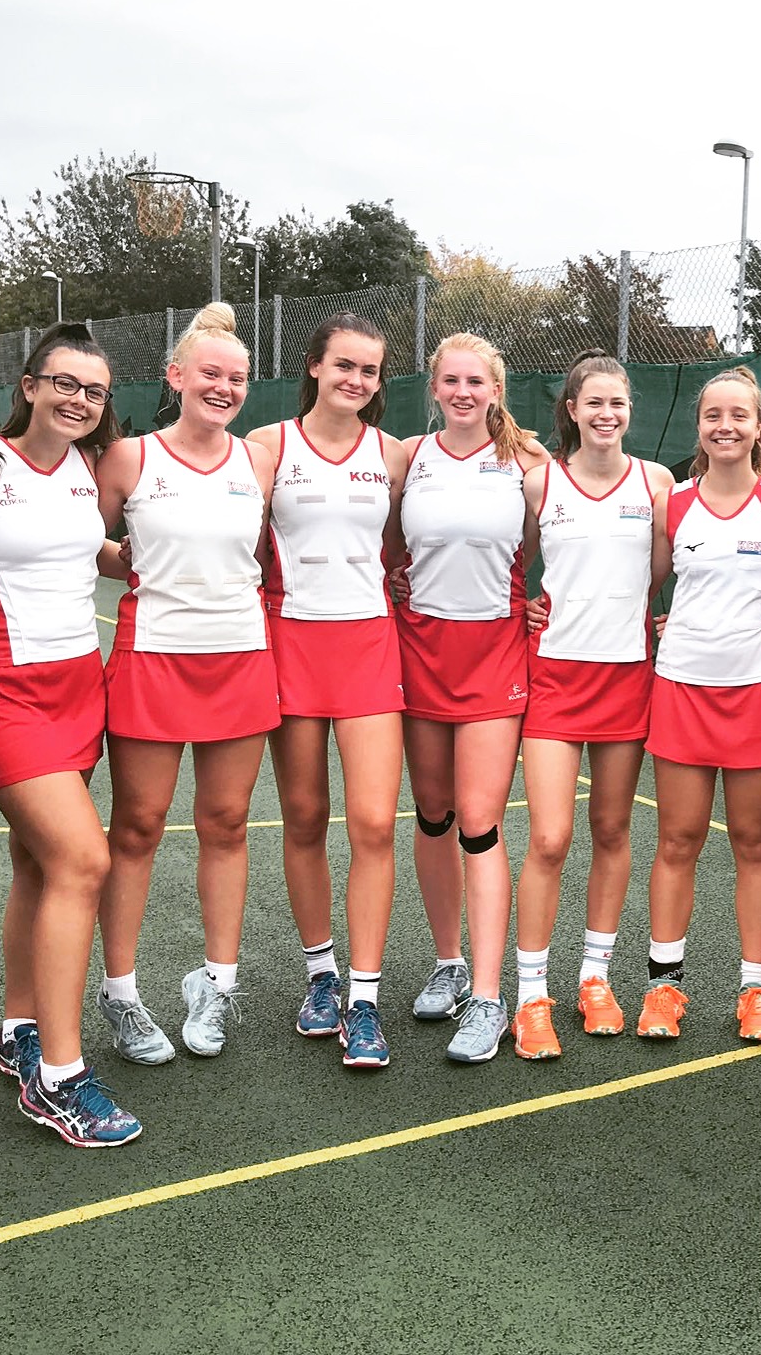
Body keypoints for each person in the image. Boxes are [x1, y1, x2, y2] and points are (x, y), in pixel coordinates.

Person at [0, 325, 141, 1145]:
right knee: (83, 859)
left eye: (94, 390)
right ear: (29, 385)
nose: (78, 399)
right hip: (0, 690)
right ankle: (58, 1080)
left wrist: (150, 555)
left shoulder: (85, 470)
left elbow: (92, 553)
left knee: (37, 863)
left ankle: (19, 1029)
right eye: (63, 383)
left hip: (78, 688)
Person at [93, 304, 279, 1063]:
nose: (224, 388)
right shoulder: (130, 458)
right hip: (152, 657)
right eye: (210, 374)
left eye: (236, 378)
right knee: (137, 826)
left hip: (239, 656)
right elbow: (90, 545)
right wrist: (131, 561)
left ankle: (217, 982)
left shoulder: (259, 461)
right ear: (175, 377)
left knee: (227, 822)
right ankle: (121, 993)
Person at [249, 315, 408, 1069]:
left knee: (374, 823)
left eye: (370, 371)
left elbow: (407, 542)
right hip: (293, 644)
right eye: (344, 364)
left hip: (370, 646)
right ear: (314, 366)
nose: (357, 380)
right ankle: (321, 976)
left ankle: (366, 1000)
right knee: (306, 816)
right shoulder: (269, 446)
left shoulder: (395, 454)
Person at [511, 352, 673, 1058]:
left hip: (628, 678)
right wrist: (525, 608)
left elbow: (667, 573)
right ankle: (531, 996)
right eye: (594, 403)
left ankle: (594, 978)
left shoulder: (658, 483)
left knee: (612, 831)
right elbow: (511, 564)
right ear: (571, 409)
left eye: (619, 404)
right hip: (554, 680)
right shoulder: (539, 482)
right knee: (549, 838)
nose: (607, 415)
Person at [639, 367, 761, 1044]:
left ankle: (755, 988)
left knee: (753, 842)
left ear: (759, 426)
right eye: (713, 415)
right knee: (677, 840)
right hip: (682, 687)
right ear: (699, 427)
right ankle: (662, 987)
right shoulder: (671, 505)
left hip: (759, 688)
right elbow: (638, 586)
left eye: (739, 415)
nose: (725, 426)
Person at [396, 331, 547, 1063]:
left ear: (496, 390)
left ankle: (490, 999)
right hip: (419, 652)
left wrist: (552, 605)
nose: (462, 393)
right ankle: (449, 963)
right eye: (450, 381)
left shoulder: (529, 464)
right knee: (433, 815)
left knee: (479, 823)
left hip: (494, 655)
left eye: (475, 383)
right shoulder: (405, 458)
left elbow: (589, 541)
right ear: (435, 387)